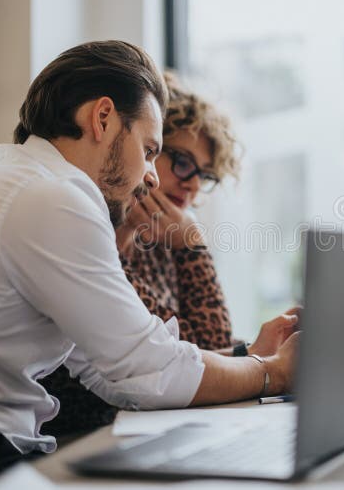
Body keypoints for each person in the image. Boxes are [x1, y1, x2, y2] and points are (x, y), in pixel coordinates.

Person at [0, 41, 298, 490]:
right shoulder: (52, 197)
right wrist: (271, 372)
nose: (153, 175)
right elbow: (146, 370)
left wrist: (254, 361)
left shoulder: (26, 187)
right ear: (102, 118)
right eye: (149, 148)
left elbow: (110, 371)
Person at [41, 72, 298, 436]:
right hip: (86, 435)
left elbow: (202, 353)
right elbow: (182, 366)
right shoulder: (87, 234)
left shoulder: (158, 244)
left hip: (144, 428)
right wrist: (193, 245)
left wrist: (256, 353)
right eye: (180, 161)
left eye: (204, 175)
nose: (192, 182)